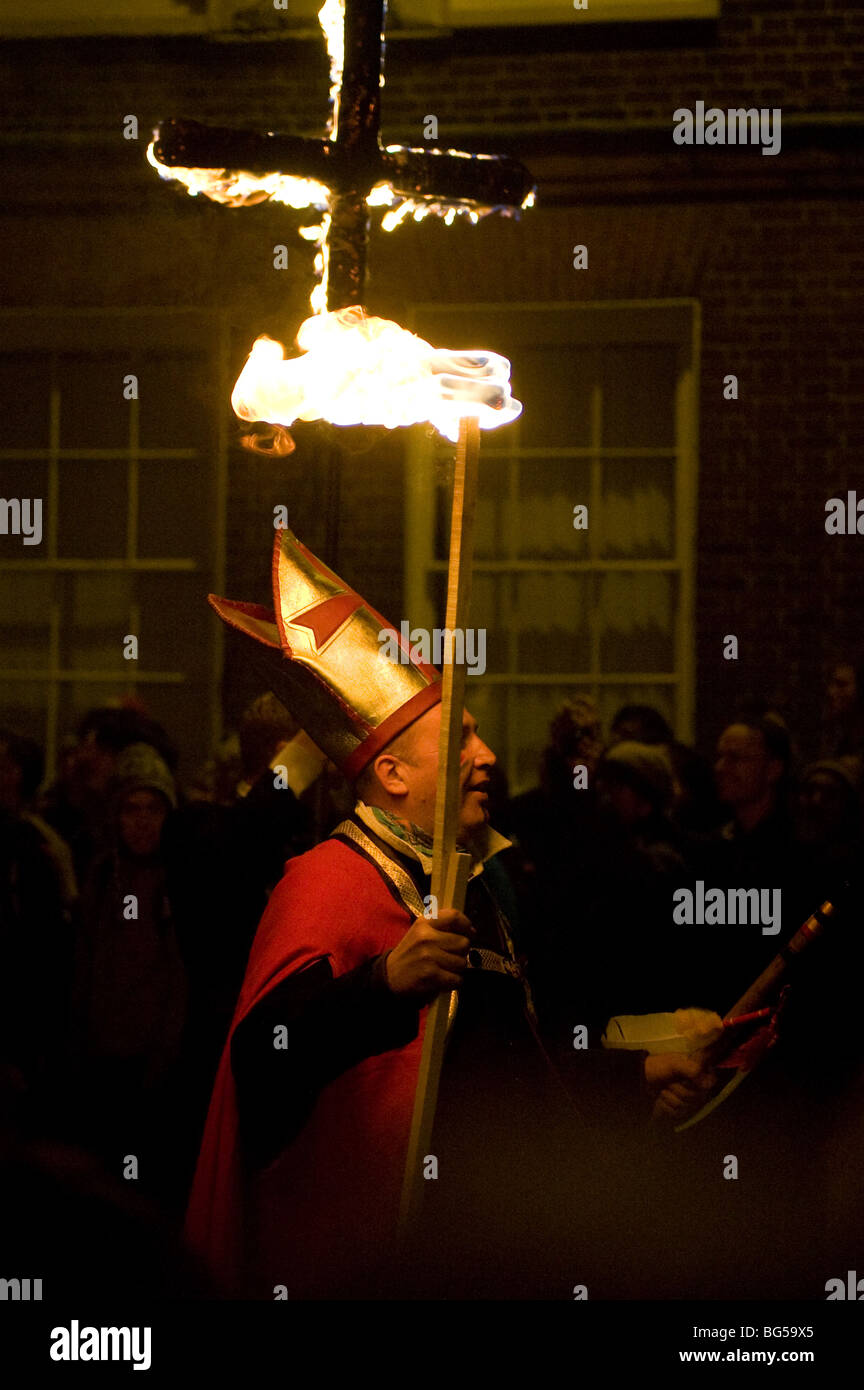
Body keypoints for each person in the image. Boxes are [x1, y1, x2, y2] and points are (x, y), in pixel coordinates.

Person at [183, 526, 714, 1300]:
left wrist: (637, 1075)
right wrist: (380, 987)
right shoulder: (329, 880)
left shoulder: (474, 882)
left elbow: (511, 1072)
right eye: (461, 738)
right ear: (393, 772)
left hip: (493, 1253)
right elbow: (262, 1065)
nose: (489, 756)